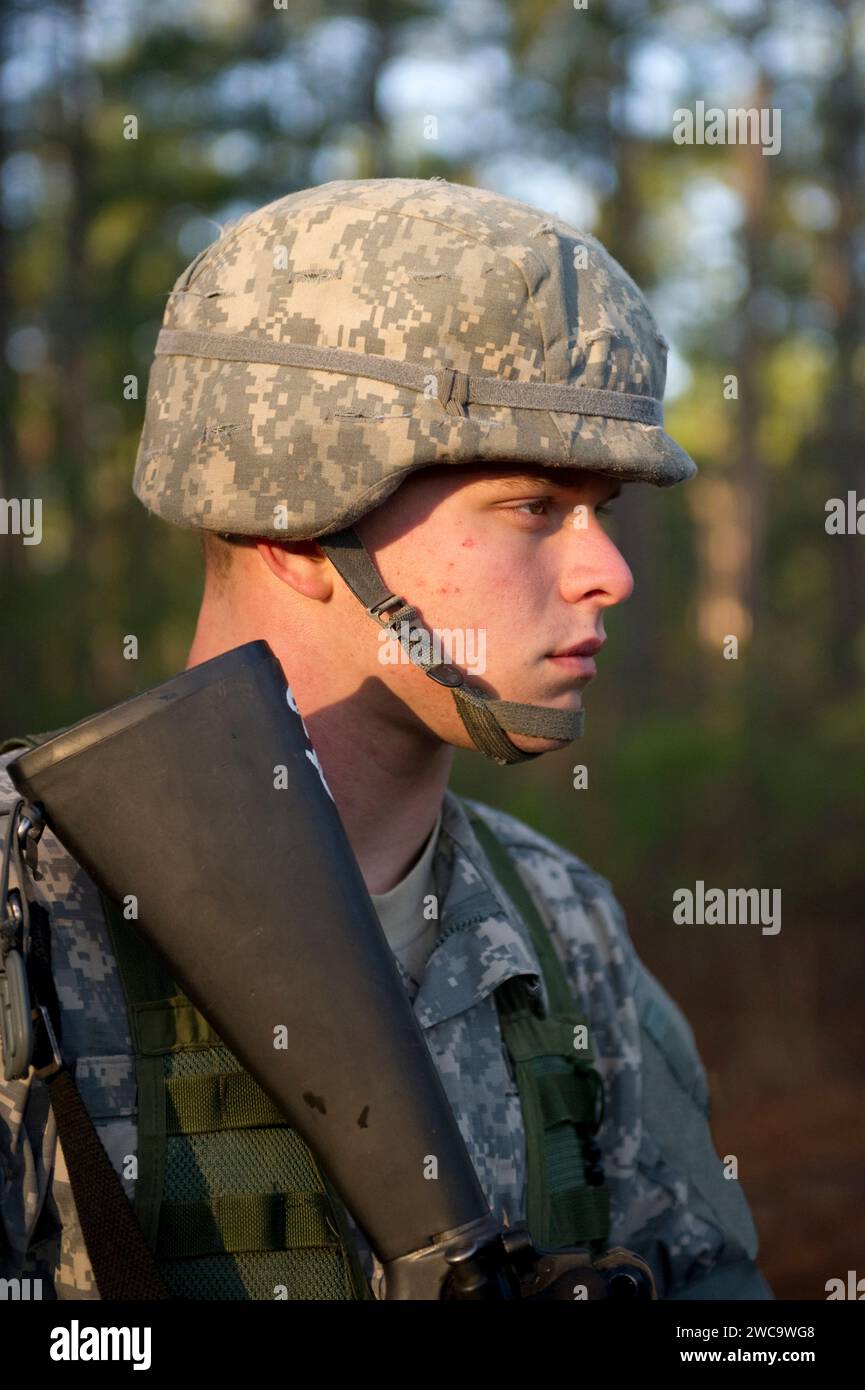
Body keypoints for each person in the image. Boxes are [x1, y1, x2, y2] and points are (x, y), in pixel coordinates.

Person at [0, 177, 773, 1300]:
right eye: (531, 506)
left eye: (603, 508)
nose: (609, 571)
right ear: (298, 522)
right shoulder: (26, 907)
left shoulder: (562, 926)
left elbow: (708, 1287)